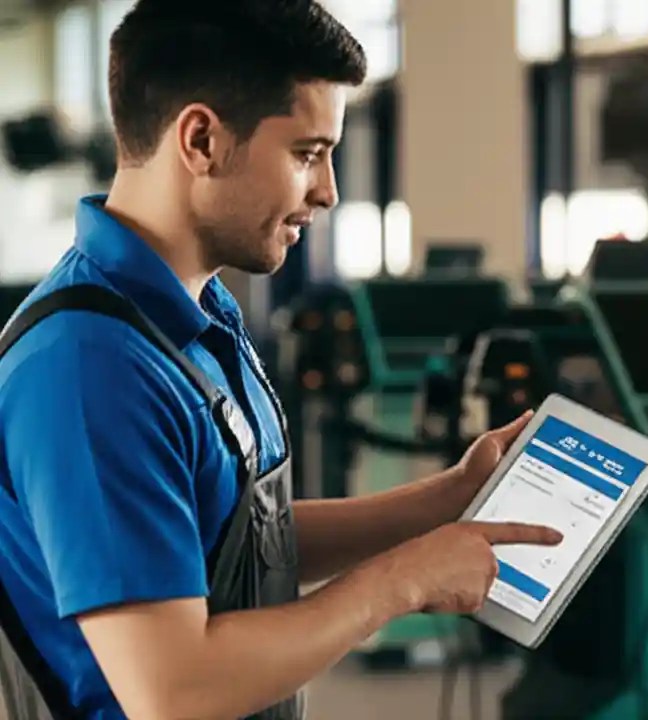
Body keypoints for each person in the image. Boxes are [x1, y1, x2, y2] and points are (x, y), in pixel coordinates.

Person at [0, 2, 560, 719]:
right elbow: (173, 691)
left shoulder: (199, 311)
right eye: (306, 154)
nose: (326, 192)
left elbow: (236, 539)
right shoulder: (89, 368)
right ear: (201, 139)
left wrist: (446, 497)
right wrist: (403, 582)